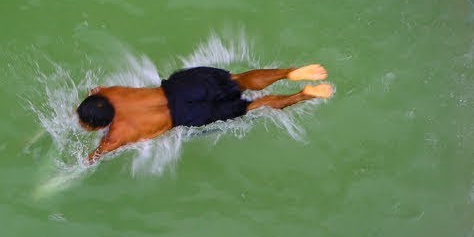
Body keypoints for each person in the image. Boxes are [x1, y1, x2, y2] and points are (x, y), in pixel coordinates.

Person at [77, 64, 334, 163]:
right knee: (238, 80)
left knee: (252, 106)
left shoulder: (115, 137)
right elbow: (93, 91)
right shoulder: (109, 93)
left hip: (188, 114)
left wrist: (87, 157)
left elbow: (90, 160)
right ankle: (288, 73)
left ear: (98, 126)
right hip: (182, 87)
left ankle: (303, 95)